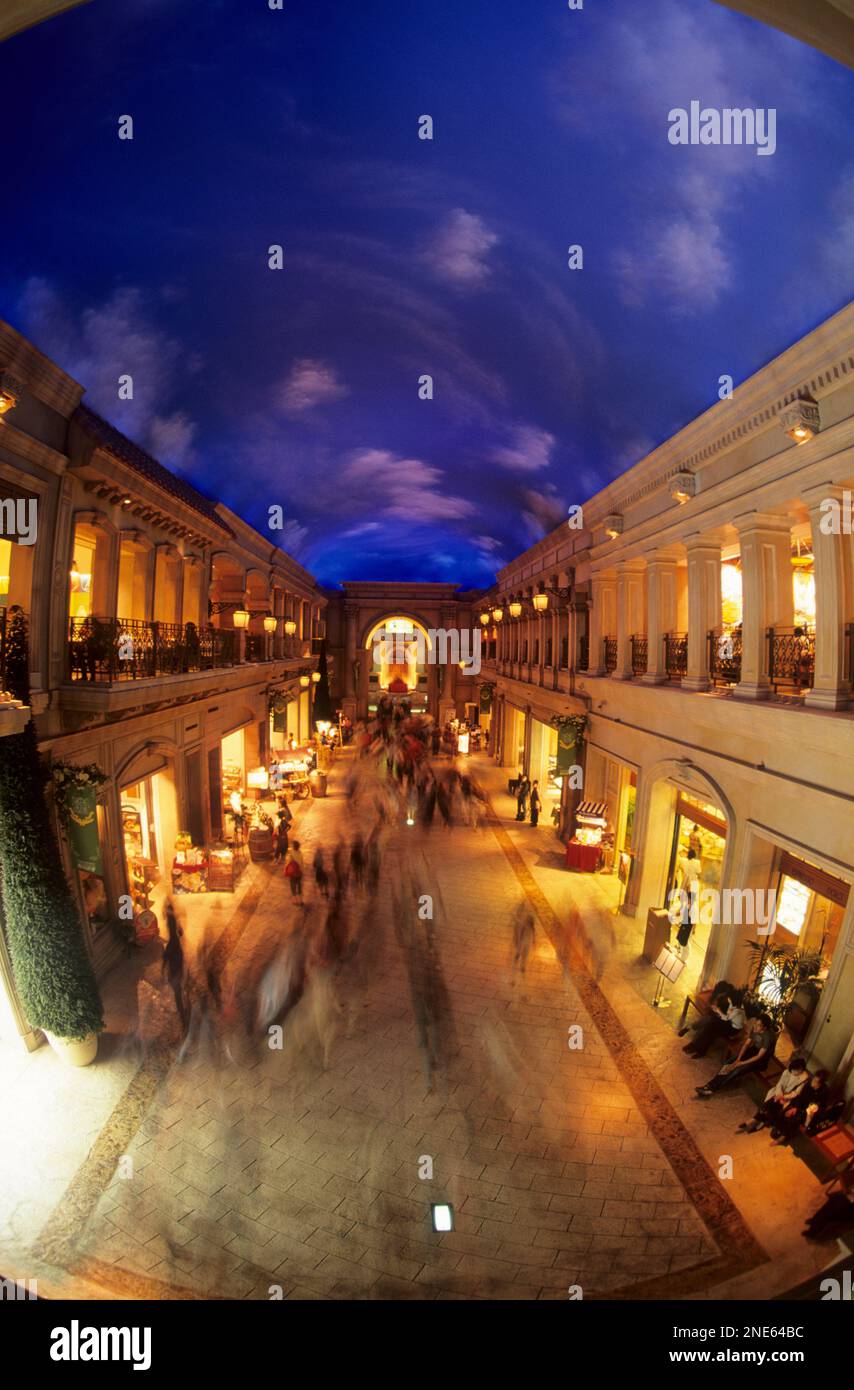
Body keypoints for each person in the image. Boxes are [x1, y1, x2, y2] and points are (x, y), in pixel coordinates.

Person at [694, 1014, 775, 1098]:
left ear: (764, 1028)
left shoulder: (768, 1037)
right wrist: (738, 1059)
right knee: (729, 1062)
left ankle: (713, 1089)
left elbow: (759, 1056)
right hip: (755, 1050)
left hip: (762, 1060)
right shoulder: (754, 1029)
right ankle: (709, 1085)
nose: (755, 1026)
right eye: (756, 1023)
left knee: (737, 1070)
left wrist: (741, 1063)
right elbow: (746, 1045)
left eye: (758, 1025)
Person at [736, 1055, 809, 1133]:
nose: (797, 1071)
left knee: (771, 1104)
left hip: (788, 1098)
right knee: (771, 1103)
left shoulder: (803, 1078)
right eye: (796, 1069)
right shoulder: (787, 1072)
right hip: (778, 1093)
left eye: (800, 1070)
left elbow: (796, 1093)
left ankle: (752, 1121)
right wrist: (779, 1094)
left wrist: (783, 1097)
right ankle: (759, 1122)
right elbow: (780, 1084)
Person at [802, 1154, 854, 1242]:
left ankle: (814, 1230)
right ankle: (816, 1221)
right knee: (834, 1200)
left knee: (836, 1207)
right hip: (850, 1197)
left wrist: (850, 1196)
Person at [683, 989, 745, 1058]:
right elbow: (726, 1017)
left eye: (729, 998)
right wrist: (716, 1010)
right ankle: (699, 1049)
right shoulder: (732, 1004)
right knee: (710, 1028)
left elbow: (726, 1018)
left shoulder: (738, 1010)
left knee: (711, 1025)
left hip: (733, 1029)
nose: (728, 999)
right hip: (728, 1023)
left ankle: (694, 1046)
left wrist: (718, 1010)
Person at [161, 899, 189, 1031]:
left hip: (174, 973)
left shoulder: (171, 946)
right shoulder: (176, 944)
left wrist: (163, 970)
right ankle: (183, 1010)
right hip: (178, 971)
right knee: (179, 991)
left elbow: (165, 958)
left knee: (177, 993)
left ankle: (182, 1014)